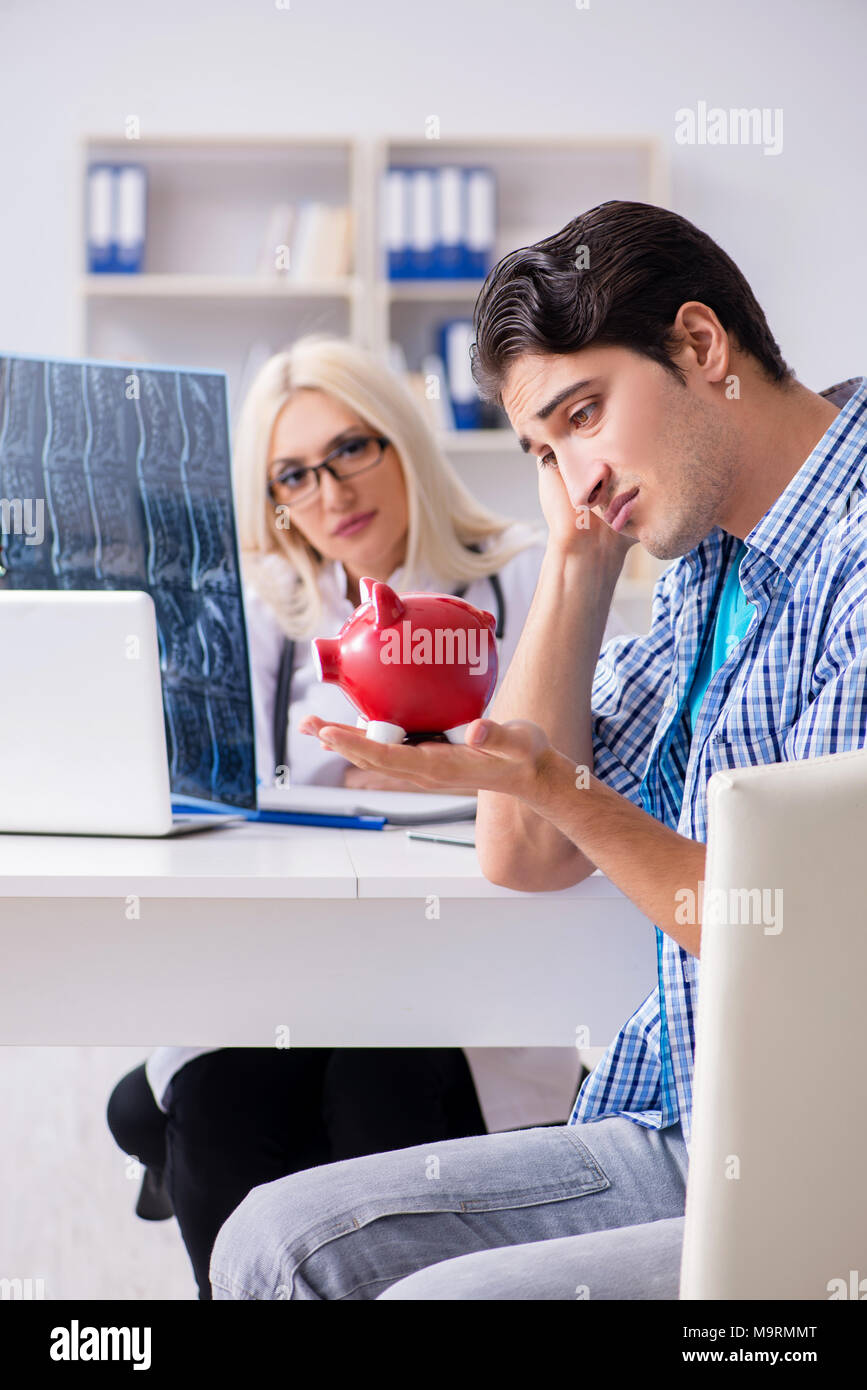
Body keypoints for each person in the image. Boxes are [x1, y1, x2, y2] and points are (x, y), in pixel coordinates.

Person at [209, 201, 867, 1300]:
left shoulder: (851, 555)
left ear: (702, 347)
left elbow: (794, 933)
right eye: (542, 451)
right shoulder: (711, 565)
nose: (576, 477)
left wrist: (558, 783)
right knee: (271, 1241)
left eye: (585, 415)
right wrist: (578, 559)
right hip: (677, 1123)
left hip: (820, 1172)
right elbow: (522, 849)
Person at [107, 336, 627, 1298]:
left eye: (351, 450)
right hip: (284, 957)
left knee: (381, 1082)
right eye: (292, 477)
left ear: (402, 444)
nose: (330, 494)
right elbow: (208, 784)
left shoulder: (528, 578)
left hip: (457, 967)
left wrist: (459, 781)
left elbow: (597, 780)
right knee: (223, 1092)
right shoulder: (261, 610)